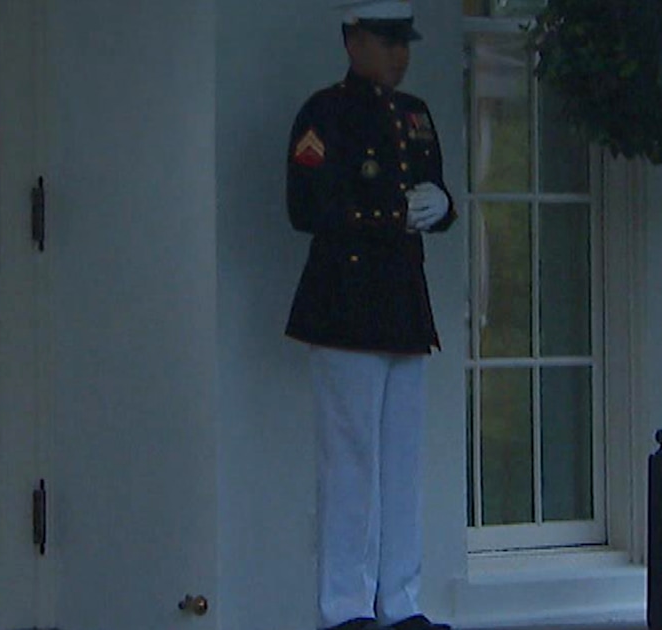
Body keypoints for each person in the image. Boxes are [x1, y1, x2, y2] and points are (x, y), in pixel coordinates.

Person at [284, 2, 456, 629]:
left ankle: (401, 599)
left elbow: (431, 191)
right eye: (385, 41)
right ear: (352, 40)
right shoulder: (325, 113)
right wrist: (390, 215)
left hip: (403, 307)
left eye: (402, 41)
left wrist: (443, 205)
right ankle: (346, 605)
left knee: (402, 465)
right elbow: (306, 204)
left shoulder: (414, 116)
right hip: (345, 306)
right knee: (350, 462)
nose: (399, 54)